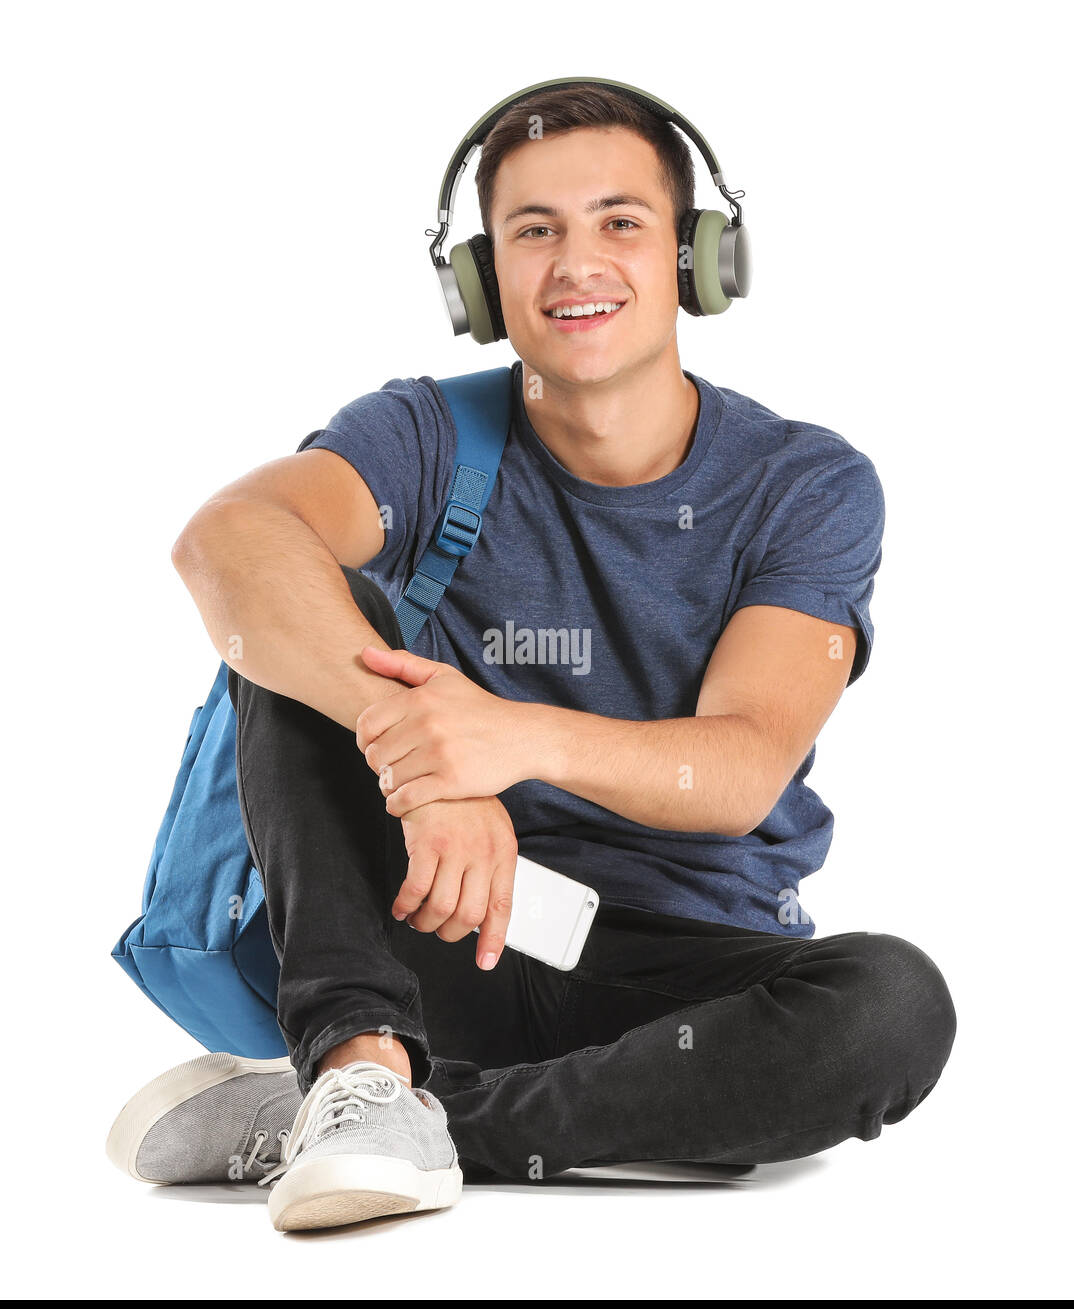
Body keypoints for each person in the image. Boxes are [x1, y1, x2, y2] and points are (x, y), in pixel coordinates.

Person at [106, 83, 956, 1232]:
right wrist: (430, 766)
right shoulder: (423, 434)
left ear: (700, 260)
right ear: (481, 278)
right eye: (534, 230)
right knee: (309, 599)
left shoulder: (803, 482)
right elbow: (228, 541)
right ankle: (360, 1069)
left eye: (619, 221)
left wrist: (503, 741)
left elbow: (742, 768)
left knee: (893, 1004)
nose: (576, 263)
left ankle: (387, 1116)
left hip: (677, 973)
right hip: (445, 930)